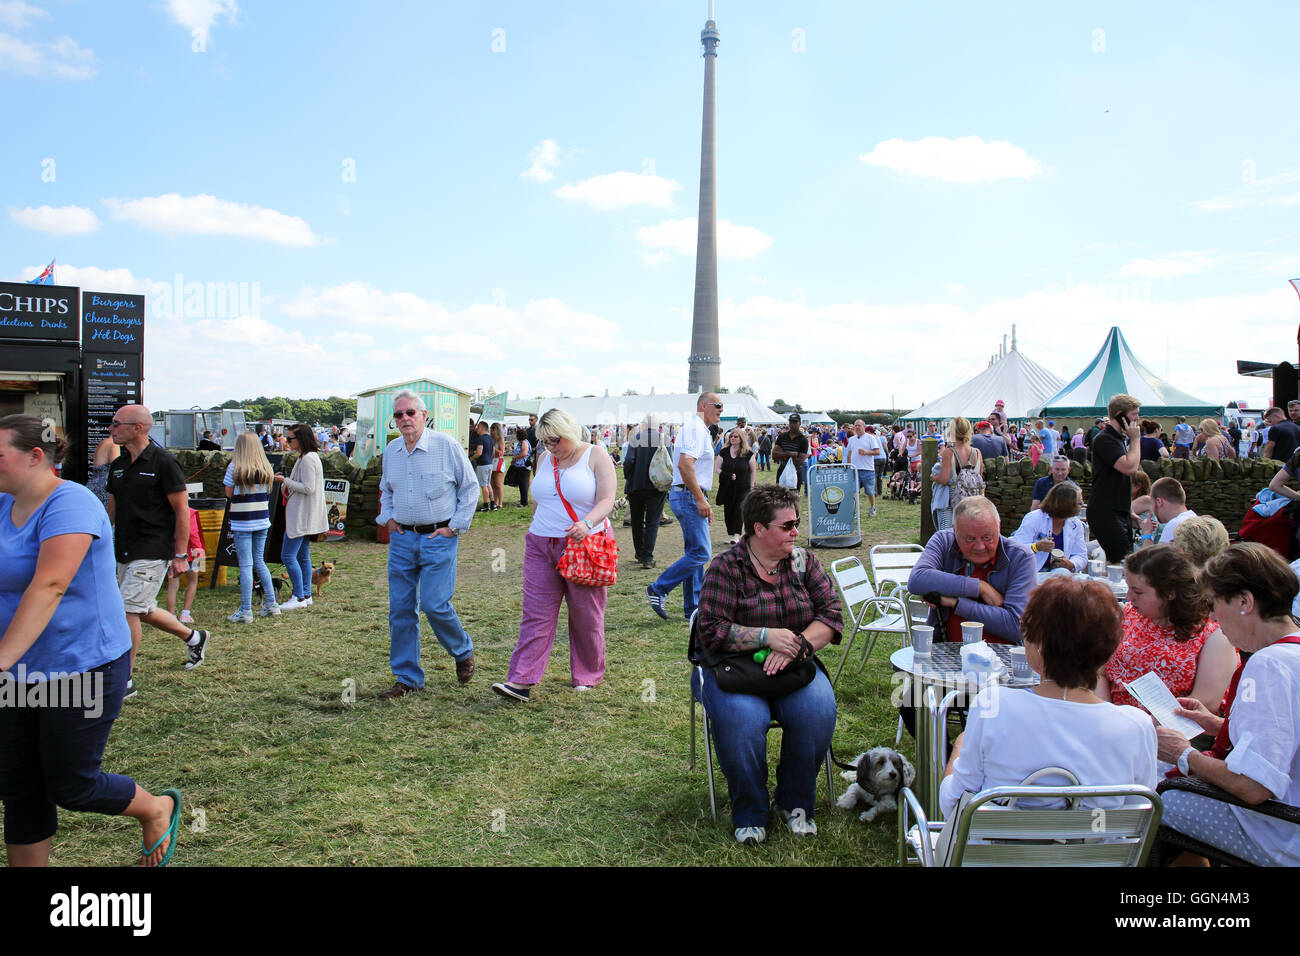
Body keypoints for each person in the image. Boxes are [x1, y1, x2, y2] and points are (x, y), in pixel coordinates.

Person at [0, 414, 182, 867]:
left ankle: (157, 808)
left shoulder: (73, 503)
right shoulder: (3, 505)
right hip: (19, 670)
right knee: (18, 785)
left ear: (35, 456)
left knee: (71, 784)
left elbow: (50, 586)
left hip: (82, 665)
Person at [692, 485, 842, 844]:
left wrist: (796, 644)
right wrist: (765, 636)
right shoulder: (726, 567)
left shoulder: (804, 561)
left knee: (818, 712)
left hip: (793, 663)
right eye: (788, 525)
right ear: (759, 528)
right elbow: (710, 631)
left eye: (797, 522)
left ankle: (795, 803)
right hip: (734, 669)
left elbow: (832, 615)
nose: (796, 531)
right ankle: (750, 810)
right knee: (743, 721)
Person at [940, 577, 1157, 818]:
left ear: (1039, 643)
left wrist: (958, 751)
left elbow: (953, 805)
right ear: (1108, 648)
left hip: (1000, 851)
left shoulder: (994, 706)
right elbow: (1138, 815)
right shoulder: (1137, 726)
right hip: (1098, 853)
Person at [1154, 544, 1300, 865]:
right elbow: (1286, 738)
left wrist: (1183, 753)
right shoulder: (1292, 653)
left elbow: (1253, 786)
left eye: (1215, 604)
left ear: (1245, 601)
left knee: (1156, 802)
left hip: (1282, 835)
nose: (1213, 617)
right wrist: (1218, 725)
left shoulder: (1268, 665)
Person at [492, 409, 617, 702]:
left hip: (585, 543)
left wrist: (587, 523)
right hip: (541, 543)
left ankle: (587, 675)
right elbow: (542, 496)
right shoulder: (546, 458)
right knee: (536, 613)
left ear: (570, 432)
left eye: (555, 440)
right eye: (545, 442)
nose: (551, 447)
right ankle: (520, 680)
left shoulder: (596, 455)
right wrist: (536, 526)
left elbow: (607, 499)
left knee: (586, 613)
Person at [376, 389, 478, 698]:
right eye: (398, 414)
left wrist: (454, 528)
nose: (404, 419)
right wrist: (389, 519)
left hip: (438, 538)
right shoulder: (392, 451)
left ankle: (462, 650)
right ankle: (407, 678)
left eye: (410, 413)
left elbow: (470, 488)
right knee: (401, 610)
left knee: (434, 604)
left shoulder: (445, 446)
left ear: (423, 416)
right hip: (403, 539)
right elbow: (387, 490)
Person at [105, 404, 210, 695]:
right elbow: (111, 508)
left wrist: (180, 555)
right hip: (124, 547)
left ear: (138, 428)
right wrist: (96, 537)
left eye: (116, 424)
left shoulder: (164, 462)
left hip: (154, 548)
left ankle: (123, 681)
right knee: (144, 608)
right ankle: (194, 637)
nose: (111, 429)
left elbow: (181, 511)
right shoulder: (119, 465)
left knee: (127, 609)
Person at [1096, 544, 1237, 715]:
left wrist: (1142, 728)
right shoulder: (1128, 616)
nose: (1128, 597)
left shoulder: (1213, 634)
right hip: (1117, 723)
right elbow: (1099, 672)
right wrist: (1107, 714)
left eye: (1138, 592)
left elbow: (1206, 702)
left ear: (1170, 593)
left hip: (1175, 731)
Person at [908, 496, 1037, 645]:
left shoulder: (1020, 557)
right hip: (946, 653)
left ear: (999, 527)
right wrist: (979, 587)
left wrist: (955, 603)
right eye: (970, 539)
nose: (980, 546)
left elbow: (1016, 627)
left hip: (1003, 659)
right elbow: (917, 579)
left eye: (987, 537)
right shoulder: (943, 542)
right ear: (955, 530)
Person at [646, 393, 721, 622]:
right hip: (688, 494)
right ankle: (659, 589)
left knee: (694, 553)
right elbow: (685, 464)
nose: (720, 409)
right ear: (703, 406)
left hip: (689, 494)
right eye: (717, 405)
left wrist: (702, 498)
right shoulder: (695, 429)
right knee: (701, 552)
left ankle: (694, 608)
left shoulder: (699, 429)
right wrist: (699, 498)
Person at [222, 432, 280, 623]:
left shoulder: (235, 468)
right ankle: (272, 604)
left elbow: (229, 493)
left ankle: (246, 610)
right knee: (259, 561)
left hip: (242, 521)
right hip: (262, 520)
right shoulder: (266, 468)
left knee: (245, 565)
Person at [273, 424, 327, 611]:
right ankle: (305, 594)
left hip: (302, 516)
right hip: (303, 515)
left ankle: (299, 596)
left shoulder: (307, 459)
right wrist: (286, 484)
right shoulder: (306, 457)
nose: (287, 442)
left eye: (290, 439)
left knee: (288, 556)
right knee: (303, 557)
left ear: (301, 439)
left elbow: (308, 488)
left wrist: (284, 481)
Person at [1088, 393, 1142, 564]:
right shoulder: (1104, 439)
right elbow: (1129, 467)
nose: (1137, 420)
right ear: (1120, 415)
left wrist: (1129, 511)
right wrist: (1136, 439)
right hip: (1105, 511)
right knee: (1123, 562)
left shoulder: (1117, 439)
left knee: (1126, 562)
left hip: (1119, 510)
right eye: (1134, 415)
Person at [1011, 481, 1087, 572]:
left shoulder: (1076, 524)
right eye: (1079, 503)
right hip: (1032, 572)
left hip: (1060, 573)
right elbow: (1016, 550)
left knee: (1062, 572)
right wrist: (1036, 547)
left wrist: (1071, 564)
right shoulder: (1034, 518)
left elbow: (1081, 555)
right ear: (1066, 505)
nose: (1082, 505)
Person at [623, 416, 668, 569]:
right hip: (657, 485)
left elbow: (628, 461)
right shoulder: (664, 438)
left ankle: (639, 553)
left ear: (644, 425)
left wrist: (628, 476)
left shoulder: (635, 438)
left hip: (636, 485)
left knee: (636, 520)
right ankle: (647, 557)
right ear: (657, 425)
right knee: (653, 521)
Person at [932, 417, 983, 531]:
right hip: (972, 502)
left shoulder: (949, 452)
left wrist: (934, 477)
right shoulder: (977, 452)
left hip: (951, 502)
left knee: (949, 535)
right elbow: (979, 477)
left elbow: (944, 479)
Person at [714, 427, 756, 545]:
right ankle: (732, 533)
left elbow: (753, 471)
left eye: (735, 436)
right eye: (731, 436)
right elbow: (717, 468)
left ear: (741, 438)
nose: (732, 438)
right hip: (727, 486)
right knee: (728, 510)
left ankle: (737, 534)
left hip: (743, 487)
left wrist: (752, 486)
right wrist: (725, 475)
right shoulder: (724, 452)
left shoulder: (748, 453)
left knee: (738, 510)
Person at [164, 507, 203, 625]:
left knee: (173, 585)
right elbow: (193, 533)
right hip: (193, 552)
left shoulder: (166, 512)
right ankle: (185, 614)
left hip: (172, 552)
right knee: (193, 582)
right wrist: (199, 549)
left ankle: (171, 615)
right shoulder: (190, 512)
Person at [846, 420, 886, 518]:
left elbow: (877, 452)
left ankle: (872, 507)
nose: (857, 427)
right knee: (853, 491)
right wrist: (848, 465)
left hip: (867, 469)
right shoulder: (851, 439)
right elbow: (849, 453)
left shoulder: (870, 438)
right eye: (856, 426)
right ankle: (853, 511)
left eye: (859, 425)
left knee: (869, 491)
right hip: (854, 469)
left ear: (864, 426)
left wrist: (865, 452)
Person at [771, 414, 809, 491]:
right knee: (779, 497)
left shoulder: (803, 440)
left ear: (799, 423)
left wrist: (782, 454)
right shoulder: (782, 436)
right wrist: (790, 454)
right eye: (791, 422)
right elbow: (774, 455)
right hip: (782, 470)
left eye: (795, 422)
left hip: (795, 472)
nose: (792, 424)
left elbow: (799, 461)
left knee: (793, 498)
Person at [87, 434, 118, 510]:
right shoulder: (113, 444)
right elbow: (117, 470)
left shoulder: (105, 442)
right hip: (104, 488)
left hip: (94, 486)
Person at [470, 420, 495, 512]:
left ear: (481, 428)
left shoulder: (480, 438)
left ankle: (486, 505)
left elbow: (479, 452)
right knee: (488, 484)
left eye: (478, 427)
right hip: (489, 463)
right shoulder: (490, 438)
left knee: (483, 485)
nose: (476, 429)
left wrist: (471, 458)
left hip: (482, 464)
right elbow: (493, 452)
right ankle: (493, 503)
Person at [508, 425, 532, 506]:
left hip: (523, 466)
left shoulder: (524, 442)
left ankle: (524, 502)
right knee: (522, 484)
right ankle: (523, 500)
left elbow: (524, 453)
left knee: (523, 484)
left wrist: (515, 458)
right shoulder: (522, 442)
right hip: (520, 466)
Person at [490, 422, 506, 510]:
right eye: (491, 428)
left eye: (494, 428)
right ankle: (494, 502)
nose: (492, 430)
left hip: (498, 462)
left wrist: (494, 449)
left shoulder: (501, 440)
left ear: (498, 429)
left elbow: (501, 453)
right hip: (491, 462)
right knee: (492, 484)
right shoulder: (491, 439)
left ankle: (500, 503)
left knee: (498, 484)